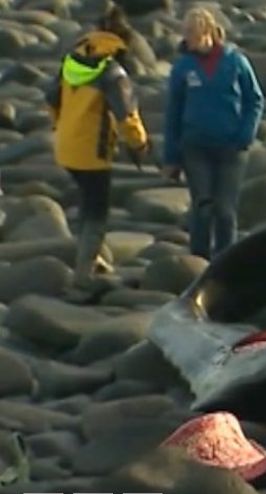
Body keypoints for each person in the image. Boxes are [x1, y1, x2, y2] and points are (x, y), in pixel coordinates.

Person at [45, 6, 148, 289]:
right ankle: (84, 275)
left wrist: (60, 126)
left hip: (67, 146)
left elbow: (51, 97)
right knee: (96, 212)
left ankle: (91, 259)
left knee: (85, 202)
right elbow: (126, 114)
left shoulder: (73, 61)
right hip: (94, 152)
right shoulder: (112, 73)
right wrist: (139, 143)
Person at [163, 7, 264, 260]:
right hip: (195, 146)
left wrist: (245, 135)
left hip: (231, 147)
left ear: (208, 32)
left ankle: (225, 262)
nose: (190, 40)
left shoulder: (235, 61)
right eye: (186, 34)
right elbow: (173, 112)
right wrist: (171, 157)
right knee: (202, 206)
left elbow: (255, 100)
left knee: (225, 211)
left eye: (194, 34)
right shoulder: (183, 68)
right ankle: (199, 261)